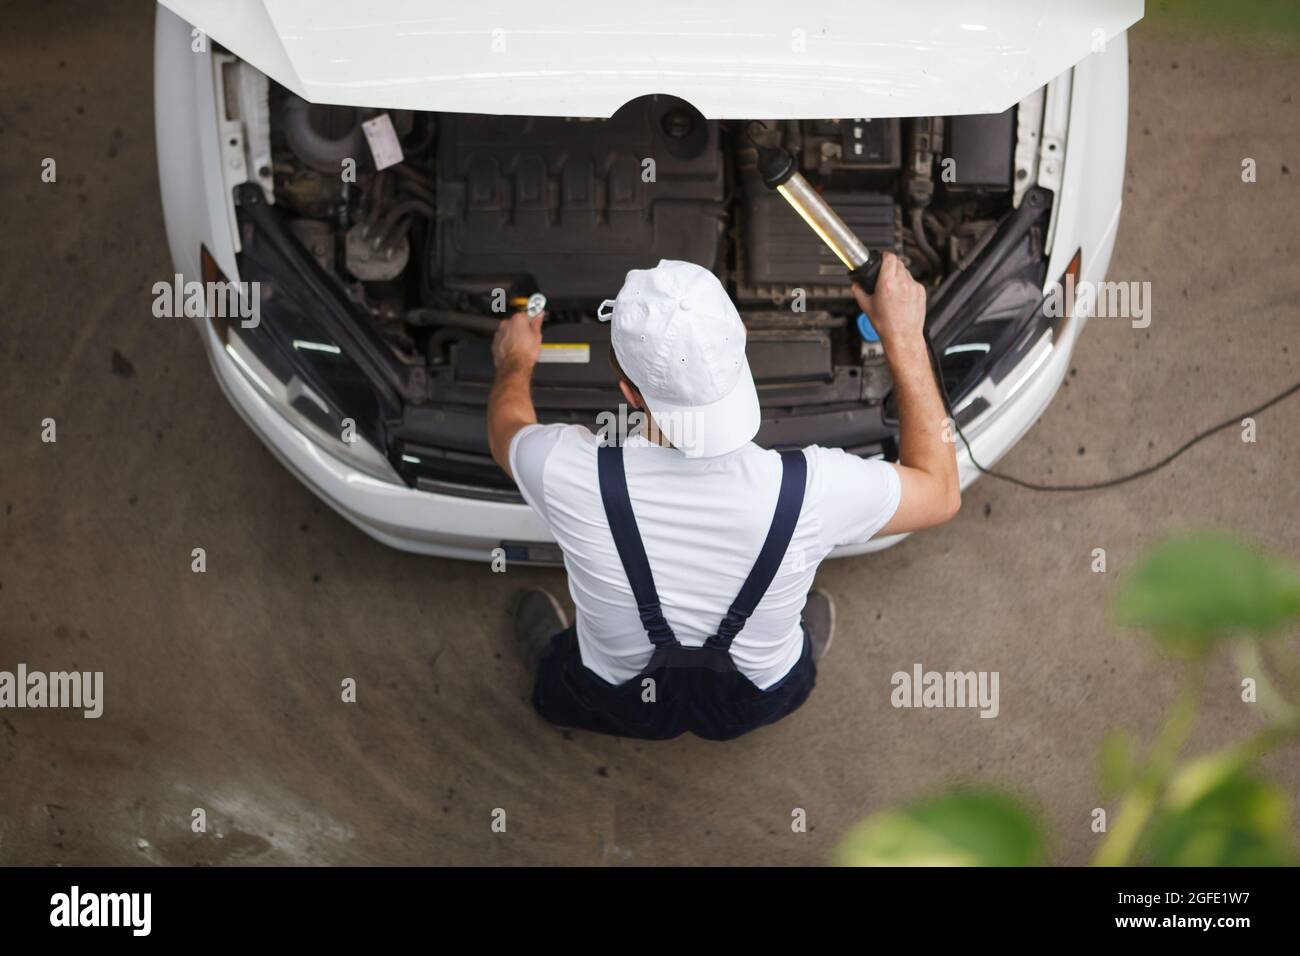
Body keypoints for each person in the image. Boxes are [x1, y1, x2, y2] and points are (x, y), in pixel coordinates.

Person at [487, 254, 959, 740]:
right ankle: (799, 651)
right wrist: (904, 336)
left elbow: (507, 429)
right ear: (743, 342)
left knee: (564, 689)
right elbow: (940, 491)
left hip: (617, 693)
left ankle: (551, 685)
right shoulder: (816, 490)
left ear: (628, 392)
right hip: (753, 694)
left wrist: (515, 360)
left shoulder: (566, 471)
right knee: (788, 673)